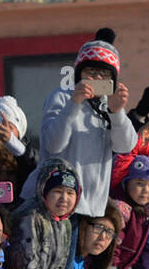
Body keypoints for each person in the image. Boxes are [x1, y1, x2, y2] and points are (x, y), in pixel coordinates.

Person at [22, 28, 137, 217]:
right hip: (54, 203)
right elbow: (53, 144)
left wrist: (117, 112)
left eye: (104, 74)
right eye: (91, 71)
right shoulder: (62, 97)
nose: (97, 78)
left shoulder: (109, 104)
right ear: (78, 74)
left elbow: (126, 146)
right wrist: (74, 103)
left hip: (92, 207)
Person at [7, 159, 86, 269]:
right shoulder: (30, 218)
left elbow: (59, 267)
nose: (64, 198)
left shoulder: (65, 223)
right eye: (57, 191)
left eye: (70, 193)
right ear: (44, 191)